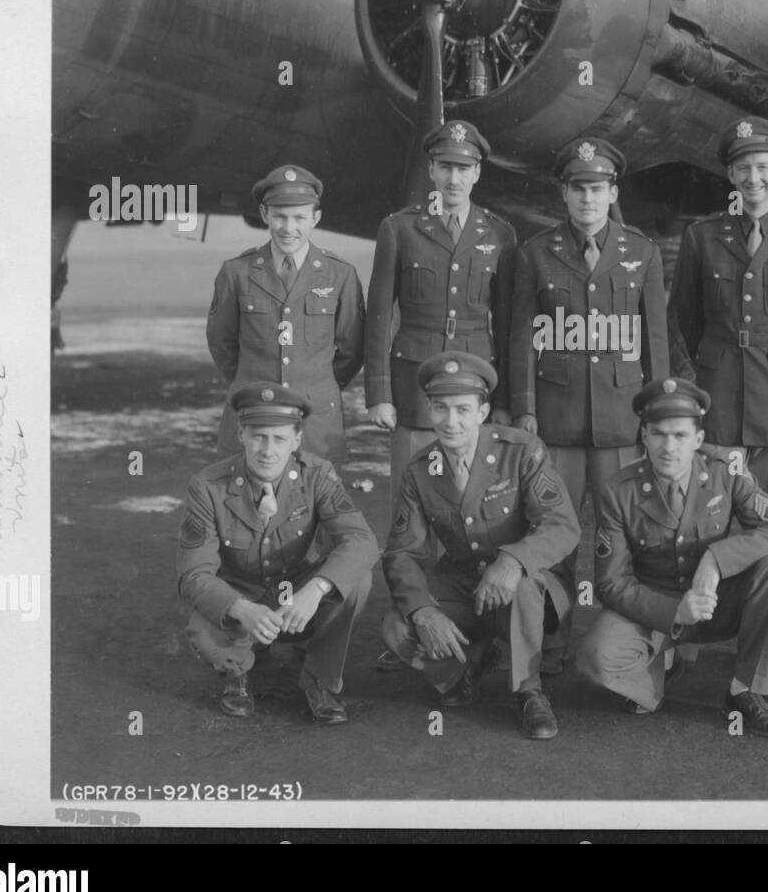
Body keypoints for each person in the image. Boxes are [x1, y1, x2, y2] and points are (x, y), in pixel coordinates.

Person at [509, 137, 668, 674]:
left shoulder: (642, 251)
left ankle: (626, 640)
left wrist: (659, 415)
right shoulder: (537, 251)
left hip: (622, 420)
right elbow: (520, 338)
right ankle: (550, 644)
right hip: (555, 420)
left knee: (623, 537)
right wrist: (524, 406)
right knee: (554, 534)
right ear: (564, 193)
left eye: (597, 189)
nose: (587, 199)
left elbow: (655, 342)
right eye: (578, 189)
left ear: (612, 192)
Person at [577, 377, 768, 737]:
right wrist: (673, 613)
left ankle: (746, 689)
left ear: (698, 439)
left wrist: (717, 558)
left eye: (680, 436)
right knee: (596, 657)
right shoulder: (619, 490)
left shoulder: (725, 470)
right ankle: (659, 671)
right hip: (656, 609)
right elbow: (609, 582)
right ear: (644, 437)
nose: (669, 447)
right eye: (659, 434)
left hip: (717, 602)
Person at [379, 352, 581, 739]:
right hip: (464, 586)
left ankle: (529, 690)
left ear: (483, 411)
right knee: (395, 627)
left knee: (521, 585)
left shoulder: (521, 451)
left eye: (462, 409)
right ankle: (462, 671)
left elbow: (562, 525)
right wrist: (422, 610)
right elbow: (404, 552)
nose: (450, 421)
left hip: (528, 590)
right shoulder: (421, 470)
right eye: (440, 408)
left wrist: (513, 561)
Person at [176, 383, 378, 724]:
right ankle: (237, 673)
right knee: (202, 624)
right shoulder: (207, 486)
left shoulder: (317, 475)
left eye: (280, 439)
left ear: (296, 440)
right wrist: (241, 609)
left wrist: (315, 591)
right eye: (258, 436)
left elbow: (361, 541)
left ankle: (320, 679)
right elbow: (193, 575)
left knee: (357, 580)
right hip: (243, 593)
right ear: (240, 434)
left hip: (298, 593)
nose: (268, 450)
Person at [667, 116, 768, 524]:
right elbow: (685, 318)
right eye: (743, 168)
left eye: (762, 167)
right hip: (718, 396)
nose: (753, 178)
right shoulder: (702, 237)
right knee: (712, 520)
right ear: (731, 174)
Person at [363, 121, 516, 505]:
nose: (454, 178)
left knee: (471, 500)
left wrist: (503, 401)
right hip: (414, 388)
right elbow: (379, 315)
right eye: (445, 167)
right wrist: (379, 394)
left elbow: (509, 324)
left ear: (477, 173)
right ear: (431, 170)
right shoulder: (399, 229)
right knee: (411, 497)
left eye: (463, 168)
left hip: (473, 384)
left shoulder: (499, 234)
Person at [207, 165, 365, 464]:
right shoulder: (236, 272)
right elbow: (221, 343)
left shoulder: (340, 275)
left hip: (315, 421)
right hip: (252, 413)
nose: (288, 227)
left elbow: (352, 350)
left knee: (314, 502)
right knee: (244, 503)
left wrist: (316, 384)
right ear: (264, 214)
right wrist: (251, 381)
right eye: (279, 216)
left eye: (299, 217)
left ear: (315, 218)